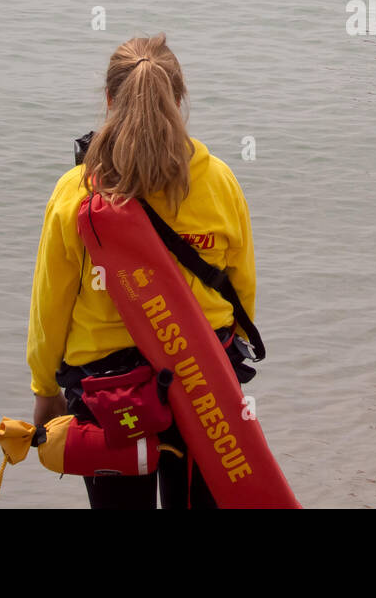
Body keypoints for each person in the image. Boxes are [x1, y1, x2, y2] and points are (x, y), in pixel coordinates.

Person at [27, 34, 257, 509]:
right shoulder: (217, 181)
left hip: (110, 392)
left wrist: (44, 389)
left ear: (110, 100)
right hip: (205, 382)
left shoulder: (78, 192)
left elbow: (51, 305)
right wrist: (224, 360)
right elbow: (240, 289)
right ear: (178, 100)